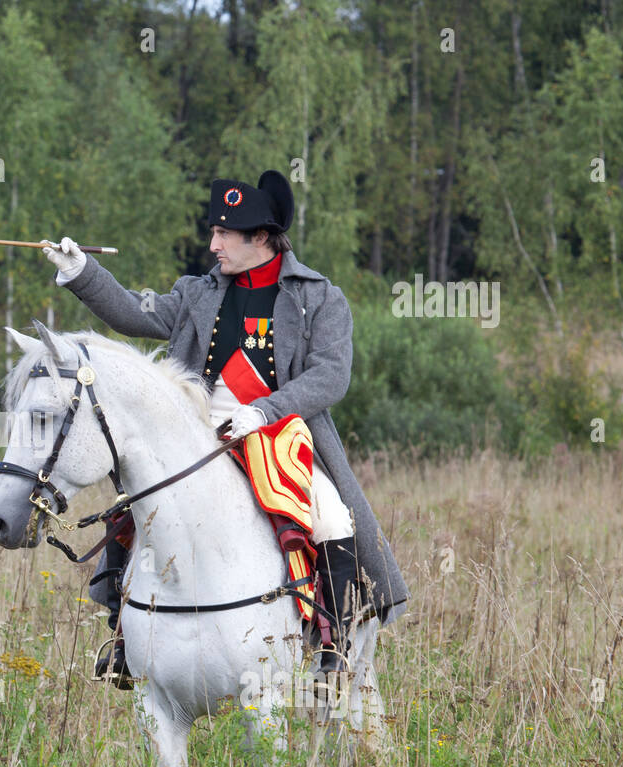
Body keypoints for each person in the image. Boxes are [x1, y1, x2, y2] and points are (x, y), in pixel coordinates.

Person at [43, 170, 408, 684]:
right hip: (199, 435)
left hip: (282, 436)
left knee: (331, 518)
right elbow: (133, 313)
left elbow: (330, 376)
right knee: (136, 508)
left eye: (223, 235)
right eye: (213, 233)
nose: (212, 244)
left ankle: (336, 648)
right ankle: (125, 636)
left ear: (259, 237)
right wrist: (83, 271)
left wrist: (265, 410)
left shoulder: (320, 297)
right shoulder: (199, 294)